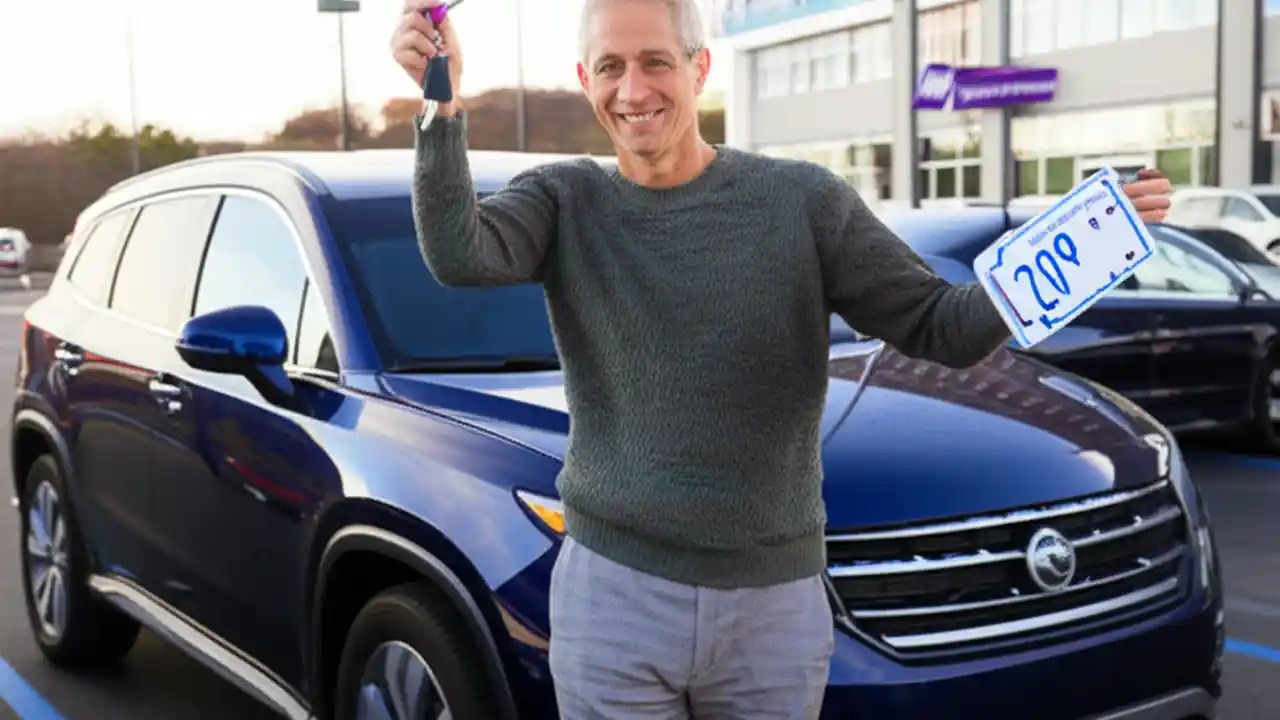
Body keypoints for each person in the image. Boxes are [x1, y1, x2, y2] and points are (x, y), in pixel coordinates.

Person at [389, 0, 1173, 716]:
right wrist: (441, 96)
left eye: (656, 61)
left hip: (771, 611)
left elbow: (945, 325)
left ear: (699, 68)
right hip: (613, 599)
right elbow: (461, 254)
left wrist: (1087, 239)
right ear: (584, 79)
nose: (633, 90)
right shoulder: (563, 199)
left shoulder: (803, 202)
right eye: (611, 67)